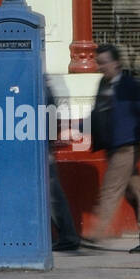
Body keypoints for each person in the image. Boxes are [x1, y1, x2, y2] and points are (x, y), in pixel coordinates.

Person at [86, 43, 140, 253]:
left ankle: (96, 234)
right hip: (112, 147)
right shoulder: (104, 83)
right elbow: (100, 113)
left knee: (110, 190)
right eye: (98, 63)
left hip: (126, 148)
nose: (101, 67)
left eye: (104, 63)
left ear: (116, 62)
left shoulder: (130, 86)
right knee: (137, 195)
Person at [45, 75, 80, 251]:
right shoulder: (42, 84)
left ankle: (68, 235)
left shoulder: (39, 86)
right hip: (38, 146)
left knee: (53, 194)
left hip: (37, 147)